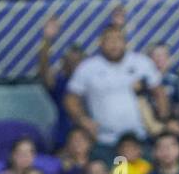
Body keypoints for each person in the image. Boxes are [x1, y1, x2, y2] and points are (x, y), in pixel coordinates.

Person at [64, 25, 166, 157]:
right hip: (105, 141)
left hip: (140, 138)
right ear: (100, 43)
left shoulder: (142, 62)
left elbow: (159, 93)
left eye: (118, 39)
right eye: (109, 40)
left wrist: (163, 121)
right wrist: (83, 119)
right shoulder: (88, 67)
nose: (114, 45)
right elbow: (71, 99)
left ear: (125, 42)